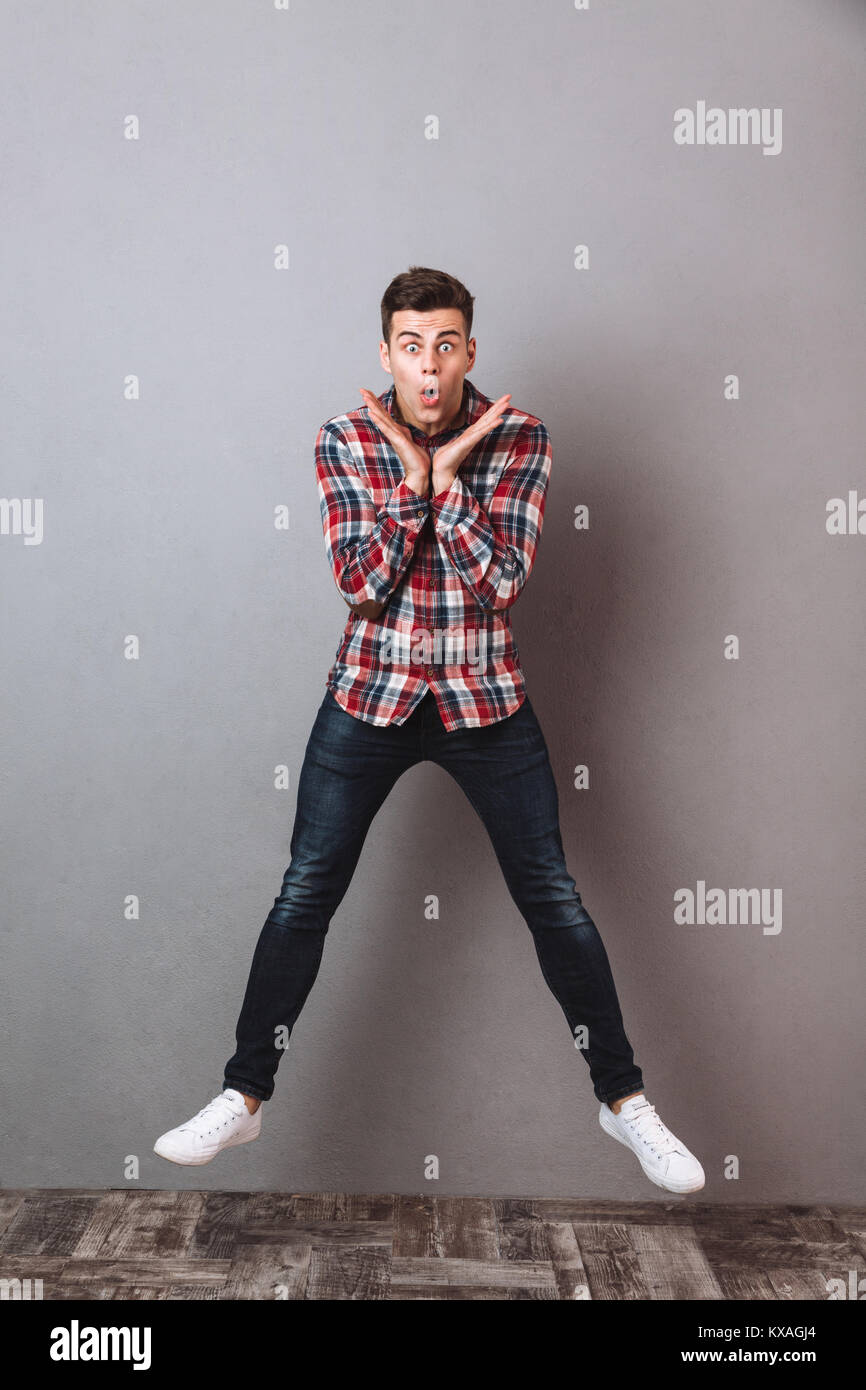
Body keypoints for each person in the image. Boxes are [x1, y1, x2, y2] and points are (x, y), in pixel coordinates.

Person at [154, 266, 705, 1194]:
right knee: (304, 894)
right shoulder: (342, 440)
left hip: (486, 703)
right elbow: (361, 584)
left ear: (470, 353)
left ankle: (624, 1104)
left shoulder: (521, 438)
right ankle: (244, 1100)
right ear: (386, 353)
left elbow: (502, 582)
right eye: (411, 347)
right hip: (369, 698)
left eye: (446, 345)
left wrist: (447, 484)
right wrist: (415, 483)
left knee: (555, 899)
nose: (429, 367)